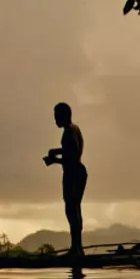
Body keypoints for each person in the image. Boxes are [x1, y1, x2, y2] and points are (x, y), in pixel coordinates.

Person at [43, 103, 87, 262]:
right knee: (74, 209)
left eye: (56, 115)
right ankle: (77, 248)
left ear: (63, 116)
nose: (55, 119)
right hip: (76, 173)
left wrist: (55, 160)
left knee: (72, 210)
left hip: (74, 174)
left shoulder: (69, 131)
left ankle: (76, 249)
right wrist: (56, 153)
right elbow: (70, 152)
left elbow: (72, 157)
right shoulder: (73, 130)